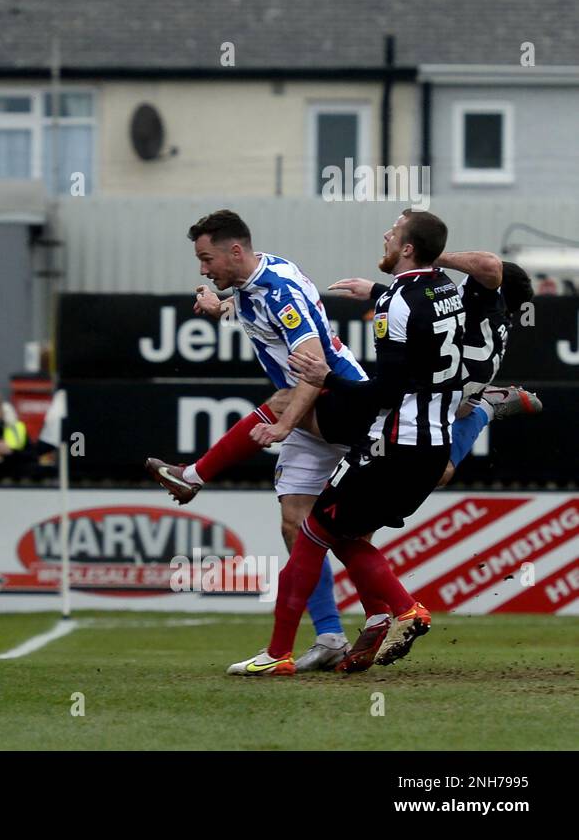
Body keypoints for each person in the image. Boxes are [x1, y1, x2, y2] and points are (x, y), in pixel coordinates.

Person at [228, 209, 464, 676]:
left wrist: (328, 376)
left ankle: (286, 652)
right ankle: (381, 615)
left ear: (408, 249)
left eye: (393, 233)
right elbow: (417, 310)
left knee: (310, 530)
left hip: (395, 447)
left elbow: (385, 392)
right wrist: (378, 290)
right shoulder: (446, 291)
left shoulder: (393, 307)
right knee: (341, 534)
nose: (386, 236)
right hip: (435, 447)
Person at [145, 209, 365, 670]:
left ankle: (394, 612)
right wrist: (217, 308)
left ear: (236, 251)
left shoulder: (279, 290)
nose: (203, 269)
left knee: (350, 528)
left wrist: (283, 428)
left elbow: (314, 364)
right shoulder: (252, 285)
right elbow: (254, 315)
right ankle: (329, 636)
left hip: (339, 402)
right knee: (296, 524)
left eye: (207, 259)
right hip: (311, 409)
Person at [329, 255, 541, 486]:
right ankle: (484, 406)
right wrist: (376, 290)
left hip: (447, 401)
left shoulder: (479, 300)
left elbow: (485, 268)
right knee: (436, 472)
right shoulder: (494, 317)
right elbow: (423, 308)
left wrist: (429, 253)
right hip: (458, 399)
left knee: (433, 472)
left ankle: (485, 408)